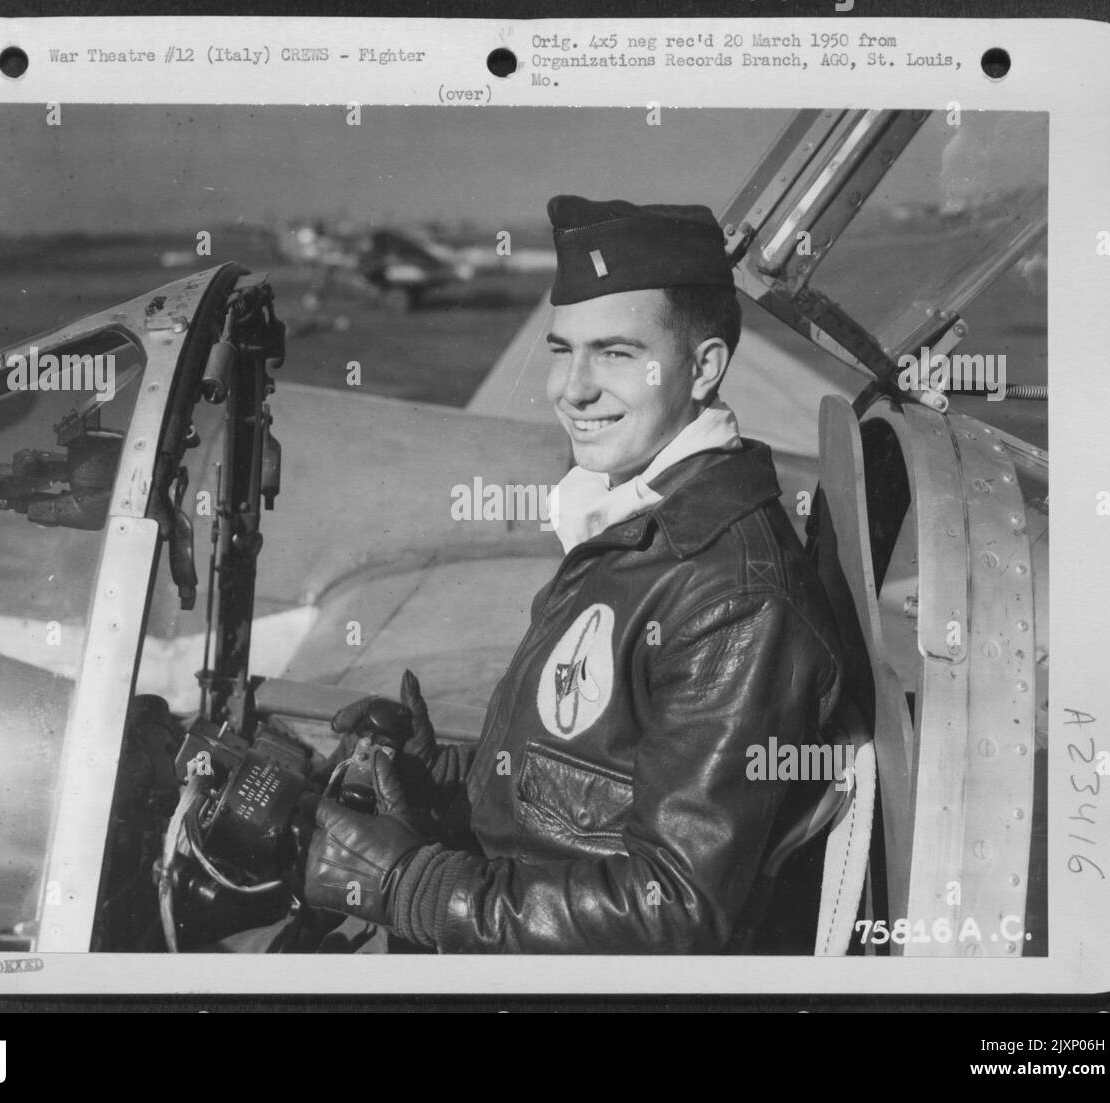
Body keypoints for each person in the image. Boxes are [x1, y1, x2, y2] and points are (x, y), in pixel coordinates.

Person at [301, 196, 844, 953]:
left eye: (616, 354)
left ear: (704, 366)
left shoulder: (732, 596)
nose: (571, 388)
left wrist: (415, 887)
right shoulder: (625, 518)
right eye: (562, 349)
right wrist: (439, 775)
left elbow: (673, 912)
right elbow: (589, 791)